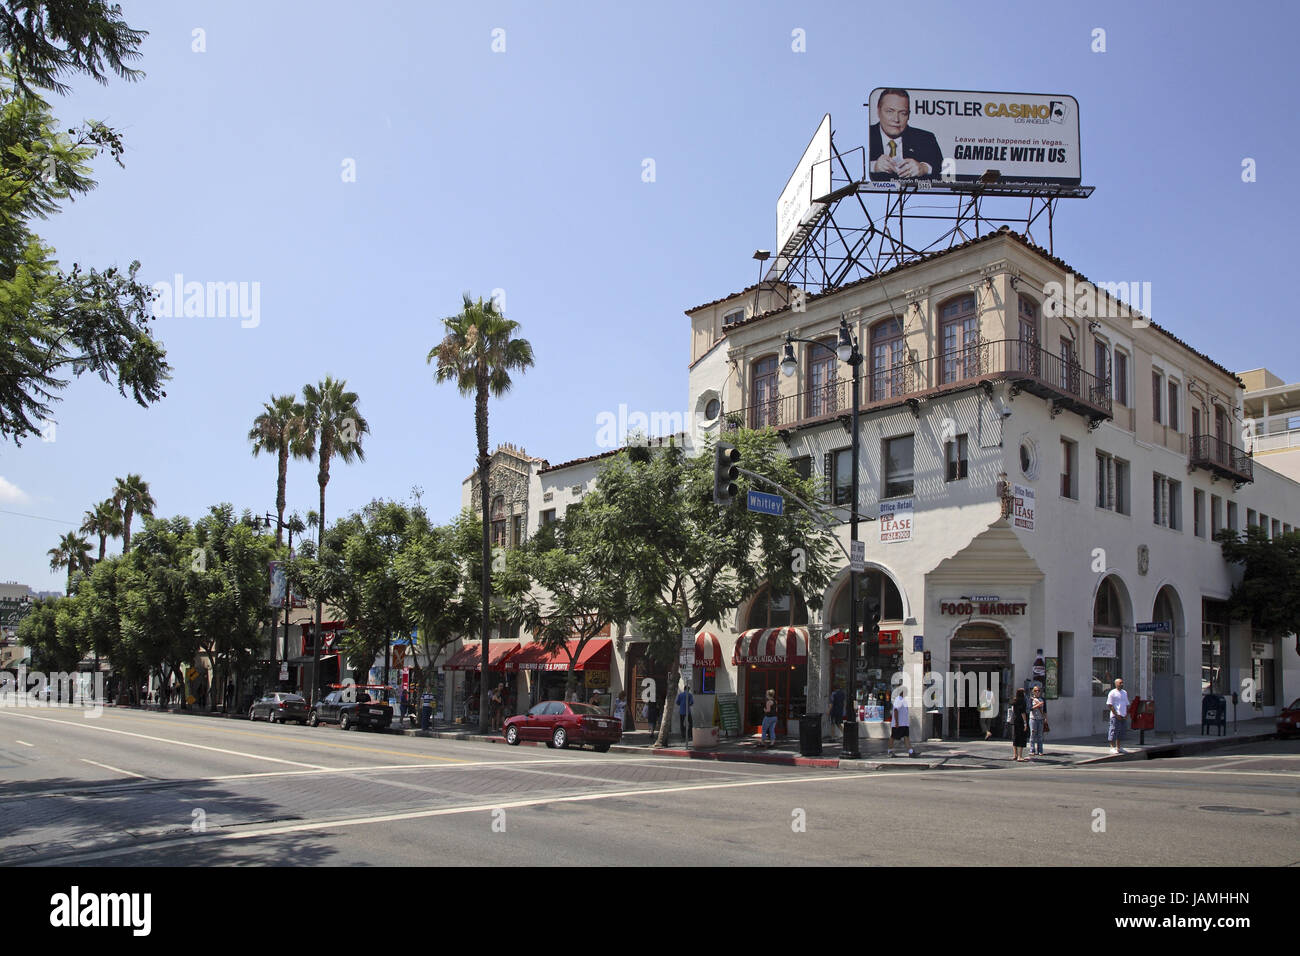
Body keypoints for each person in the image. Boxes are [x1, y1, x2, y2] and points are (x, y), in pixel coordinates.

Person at [869, 88, 943, 181]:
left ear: (909, 115)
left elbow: (945, 169)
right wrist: (873, 166)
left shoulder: (925, 138)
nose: (896, 119)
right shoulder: (867, 134)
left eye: (903, 113)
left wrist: (924, 168)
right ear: (878, 111)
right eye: (889, 111)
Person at [1106, 677, 1130, 754]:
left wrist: (1126, 714)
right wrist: (1116, 714)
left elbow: (1126, 704)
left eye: (1122, 683)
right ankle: (1112, 747)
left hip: (1123, 715)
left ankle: (1118, 747)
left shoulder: (1124, 692)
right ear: (1116, 684)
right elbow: (1110, 705)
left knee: (1121, 732)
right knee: (1113, 731)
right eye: (1120, 683)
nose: (1122, 684)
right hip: (1115, 716)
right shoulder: (1112, 693)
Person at [888, 686, 913, 757]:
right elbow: (896, 710)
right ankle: (890, 751)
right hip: (899, 723)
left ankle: (911, 752)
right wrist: (896, 722)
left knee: (906, 737)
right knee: (893, 737)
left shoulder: (903, 700)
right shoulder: (898, 700)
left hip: (904, 724)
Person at [1028, 685, 1047, 757]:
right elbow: (1029, 708)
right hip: (1033, 719)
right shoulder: (1031, 699)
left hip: (1041, 719)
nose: (1037, 692)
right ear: (1033, 691)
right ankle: (1032, 750)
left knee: (1040, 736)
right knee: (1032, 735)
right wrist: (1038, 705)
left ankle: (1040, 750)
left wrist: (1045, 718)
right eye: (1036, 690)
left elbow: (1045, 710)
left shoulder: (1042, 699)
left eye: (1039, 690)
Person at [1011, 687, 1029, 761]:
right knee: (1021, 738)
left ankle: (1015, 755)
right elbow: (1023, 713)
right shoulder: (1022, 701)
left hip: (1015, 720)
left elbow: (1013, 710)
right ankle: (1020, 756)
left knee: (1015, 737)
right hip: (1021, 721)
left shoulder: (1014, 701)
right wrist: (1025, 723)